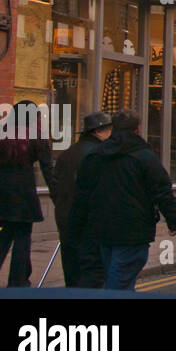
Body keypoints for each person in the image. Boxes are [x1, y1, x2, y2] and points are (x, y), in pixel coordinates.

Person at [68, 110, 176, 291]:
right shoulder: (144, 156)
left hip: (102, 229)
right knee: (119, 282)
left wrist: (74, 226)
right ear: (137, 129)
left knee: (118, 278)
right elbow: (162, 191)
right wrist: (174, 220)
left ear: (113, 128)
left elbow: (82, 195)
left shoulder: (95, 156)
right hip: (132, 231)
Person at [0, 101, 55, 288]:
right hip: (23, 188)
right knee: (23, 233)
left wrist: (1, 168)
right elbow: (47, 167)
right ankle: (16, 280)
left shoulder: (1, 130)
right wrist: (56, 193)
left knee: (11, 228)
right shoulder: (37, 134)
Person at [51, 111, 112, 287]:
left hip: (65, 215)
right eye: (109, 130)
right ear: (99, 131)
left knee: (71, 267)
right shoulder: (101, 154)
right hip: (89, 219)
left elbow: (54, 186)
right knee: (92, 271)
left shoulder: (66, 154)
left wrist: (63, 204)